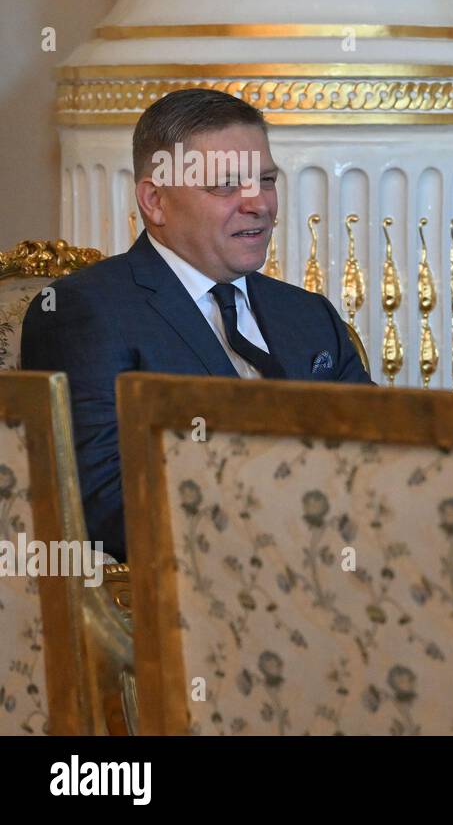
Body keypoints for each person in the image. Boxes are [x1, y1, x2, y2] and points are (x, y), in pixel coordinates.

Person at [22, 89, 372, 560]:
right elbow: (103, 504)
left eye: (265, 180)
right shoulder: (85, 312)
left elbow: (377, 460)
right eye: (225, 186)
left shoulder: (310, 316)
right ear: (155, 200)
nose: (259, 204)